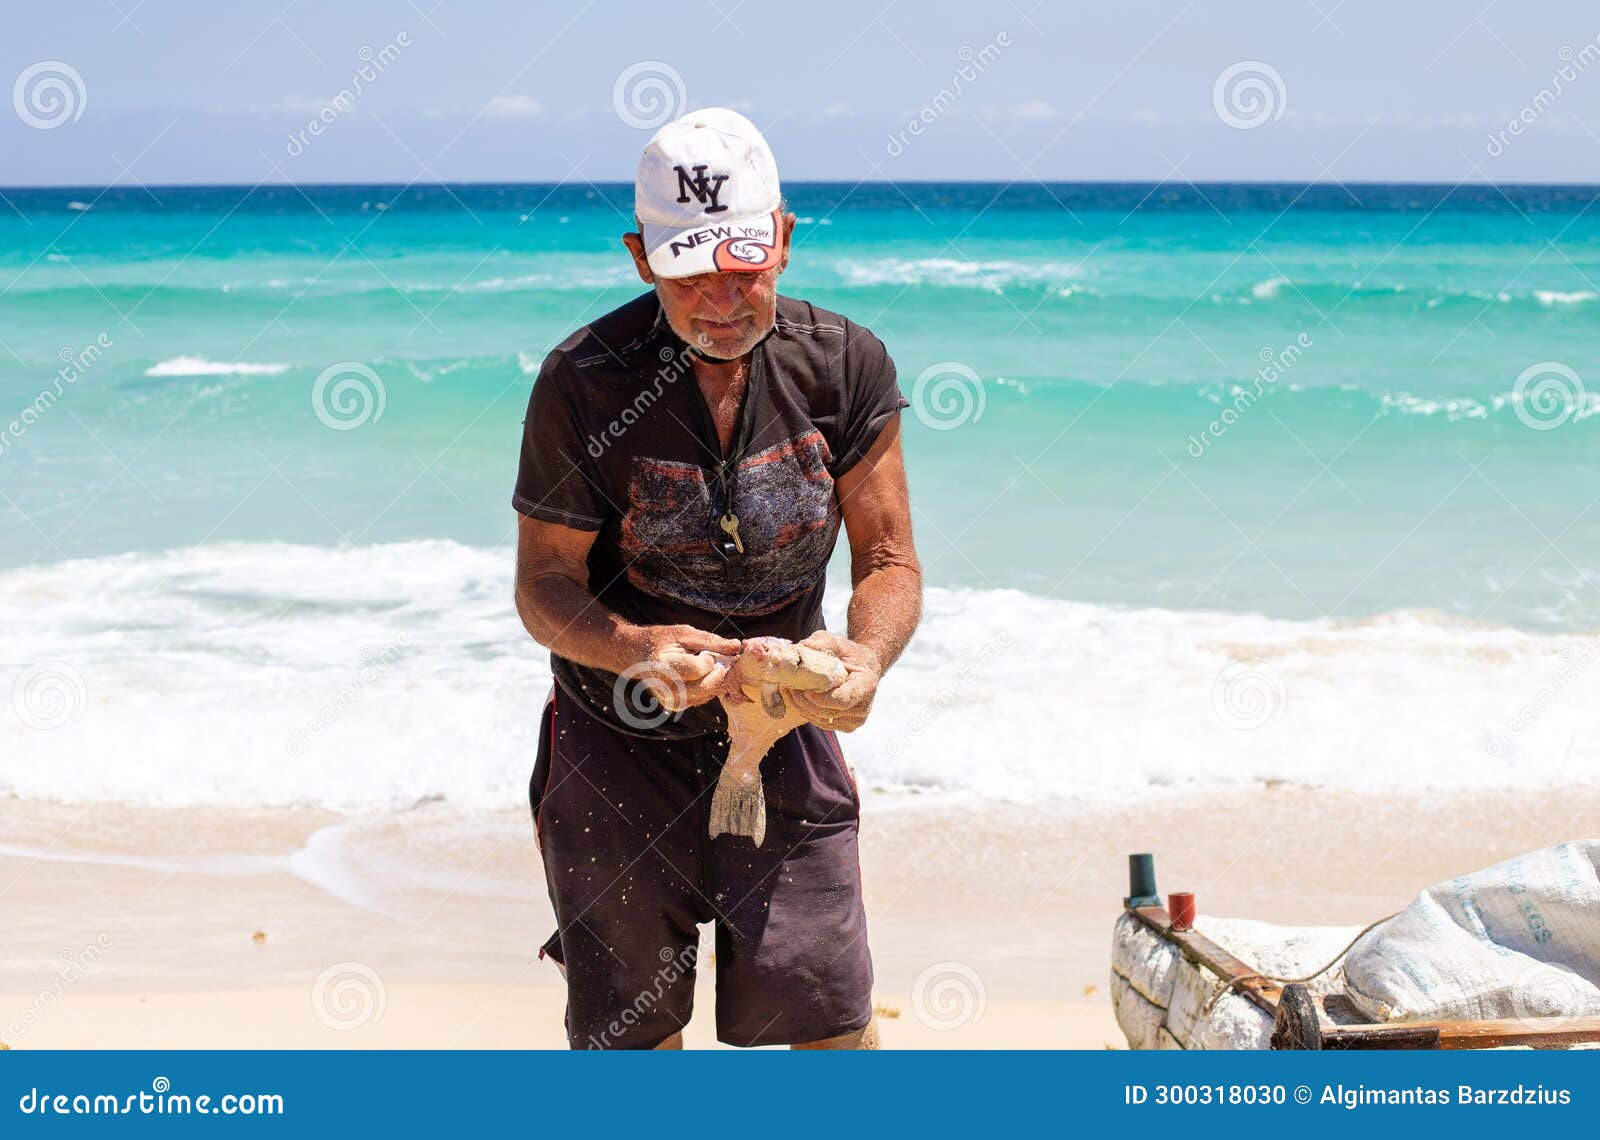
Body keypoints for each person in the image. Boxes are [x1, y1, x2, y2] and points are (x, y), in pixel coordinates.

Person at [512, 107, 921, 1049]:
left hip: (783, 732)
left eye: (744, 265)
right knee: (632, 1042)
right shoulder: (584, 380)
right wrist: (636, 649)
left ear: (782, 238)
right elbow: (543, 587)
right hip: (616, 745)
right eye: (691, 270)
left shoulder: (847, 364)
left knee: (832, 1026)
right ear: (642, 258)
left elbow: (891, 560)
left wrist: (864, 658)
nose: (722, 299)